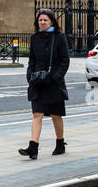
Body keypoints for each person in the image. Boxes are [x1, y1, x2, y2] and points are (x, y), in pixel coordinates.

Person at [20, 9, 69, 159]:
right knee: (37, 114)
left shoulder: (60, 37)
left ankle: (60, 143)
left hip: (54, 83)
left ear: (52, 21)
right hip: (38, 83)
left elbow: (64, 61)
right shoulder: (34, 38)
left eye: (45, 20)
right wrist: (30, 76)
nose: (42, 22)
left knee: (55, 115)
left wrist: (56, 77)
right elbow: (32, 60)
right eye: (40, 20)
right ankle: (33, 147)